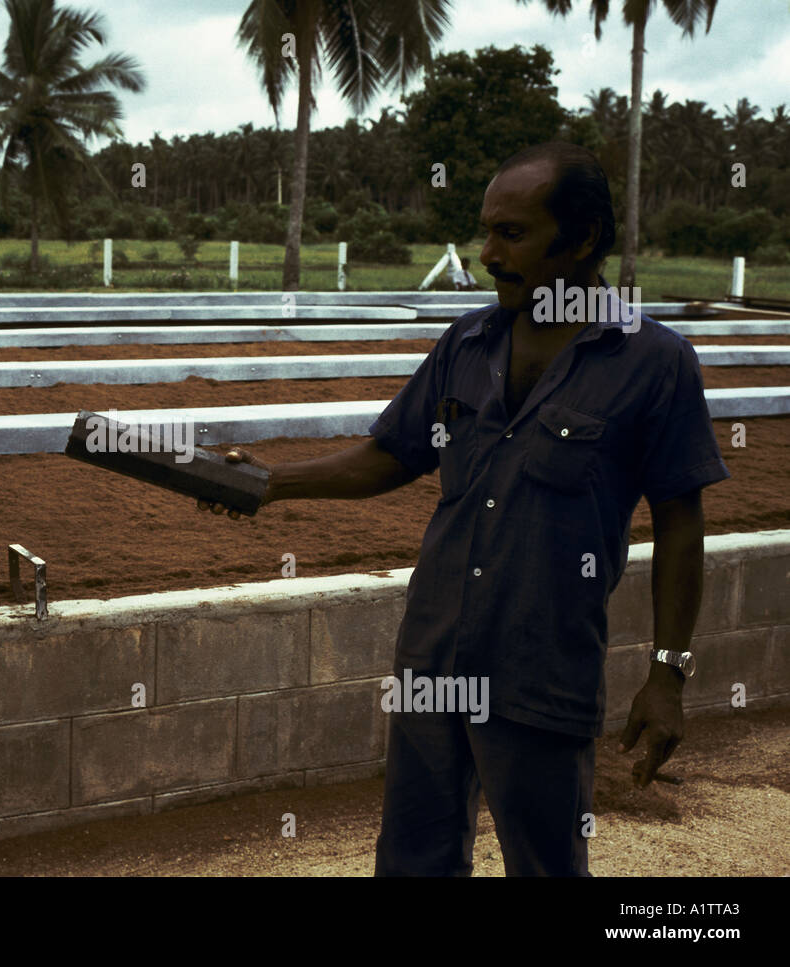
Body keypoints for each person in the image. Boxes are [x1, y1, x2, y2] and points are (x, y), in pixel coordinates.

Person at [197, 141, 729, 876]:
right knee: (415, 859)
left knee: (545, 863)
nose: (486, 253)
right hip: (435, 653)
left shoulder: (652, 362)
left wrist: (668, 672)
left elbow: (680, 522)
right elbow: (392, 453)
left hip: (541, 667)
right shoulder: (467, 343)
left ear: (581, 240)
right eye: (486, 230)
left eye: (512, 233)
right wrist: (272, 482)